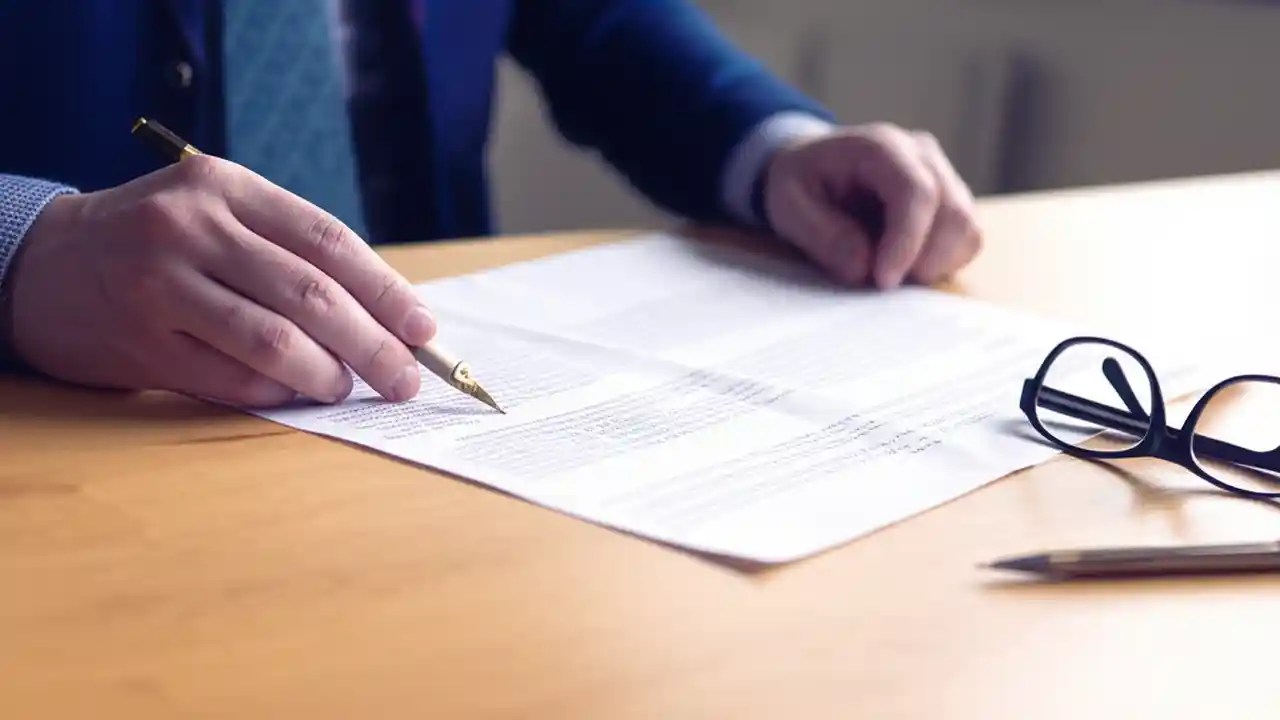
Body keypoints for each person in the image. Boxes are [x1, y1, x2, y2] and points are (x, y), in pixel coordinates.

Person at [0, 1, 981, 408]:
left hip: (416, 442)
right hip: (73, 436)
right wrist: (27, 243)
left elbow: (594, 17)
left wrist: (776, 149)